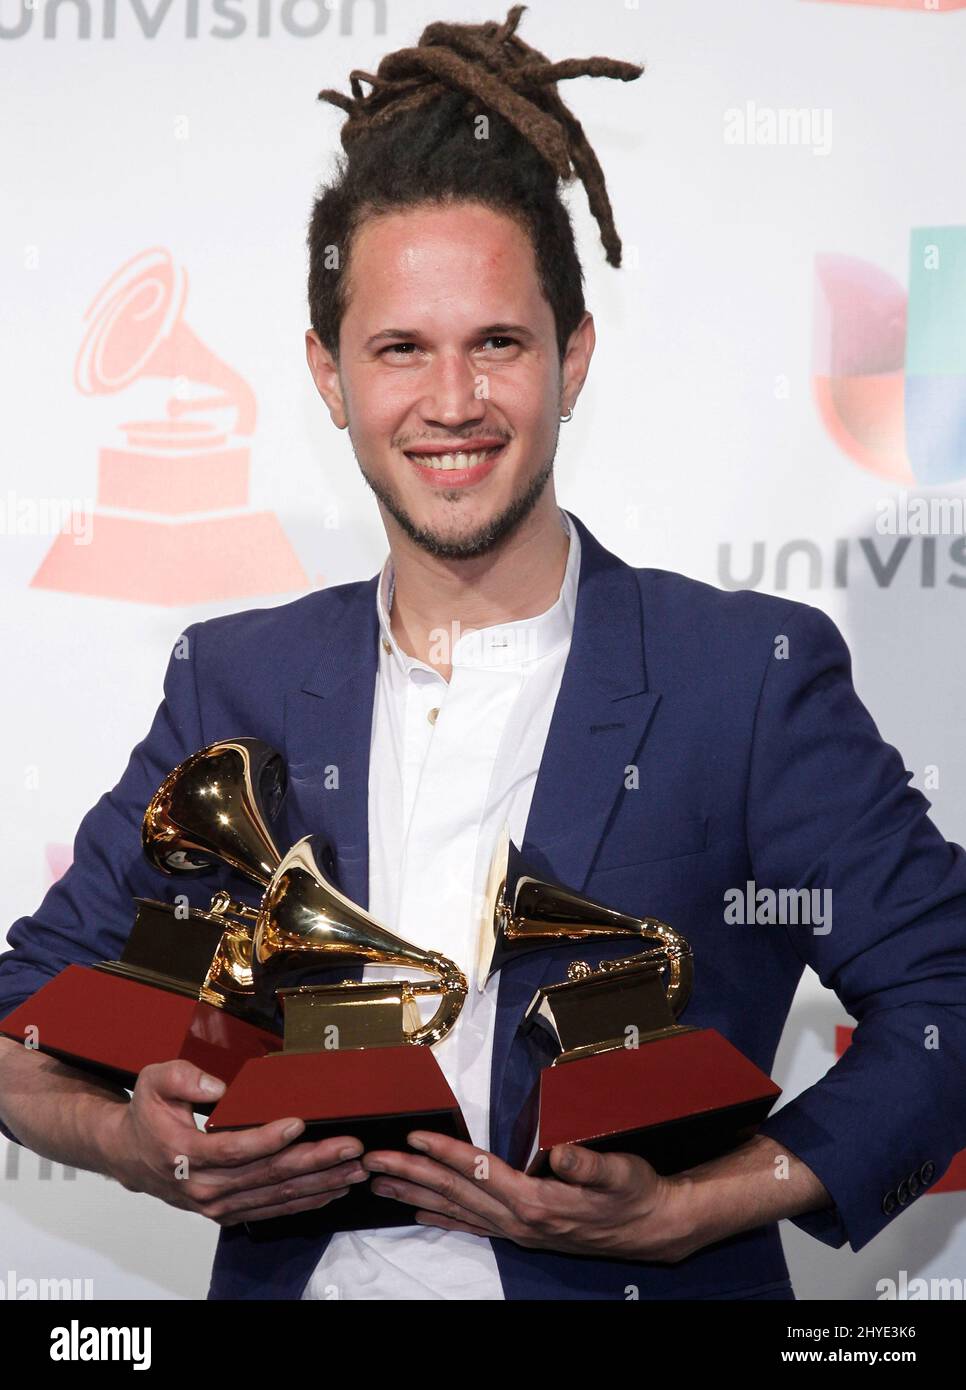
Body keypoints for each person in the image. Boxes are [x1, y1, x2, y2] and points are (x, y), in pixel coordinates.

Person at [3, 5, 966, 1302]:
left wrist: (694, 1206)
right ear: (328, 376)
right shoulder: (229, 676)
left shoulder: (743, 673)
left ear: (571, 357)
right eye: (398, 347)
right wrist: (128, 1138)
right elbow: (25, 1020)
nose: (449, 401)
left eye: (496, 343)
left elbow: (945, 994)